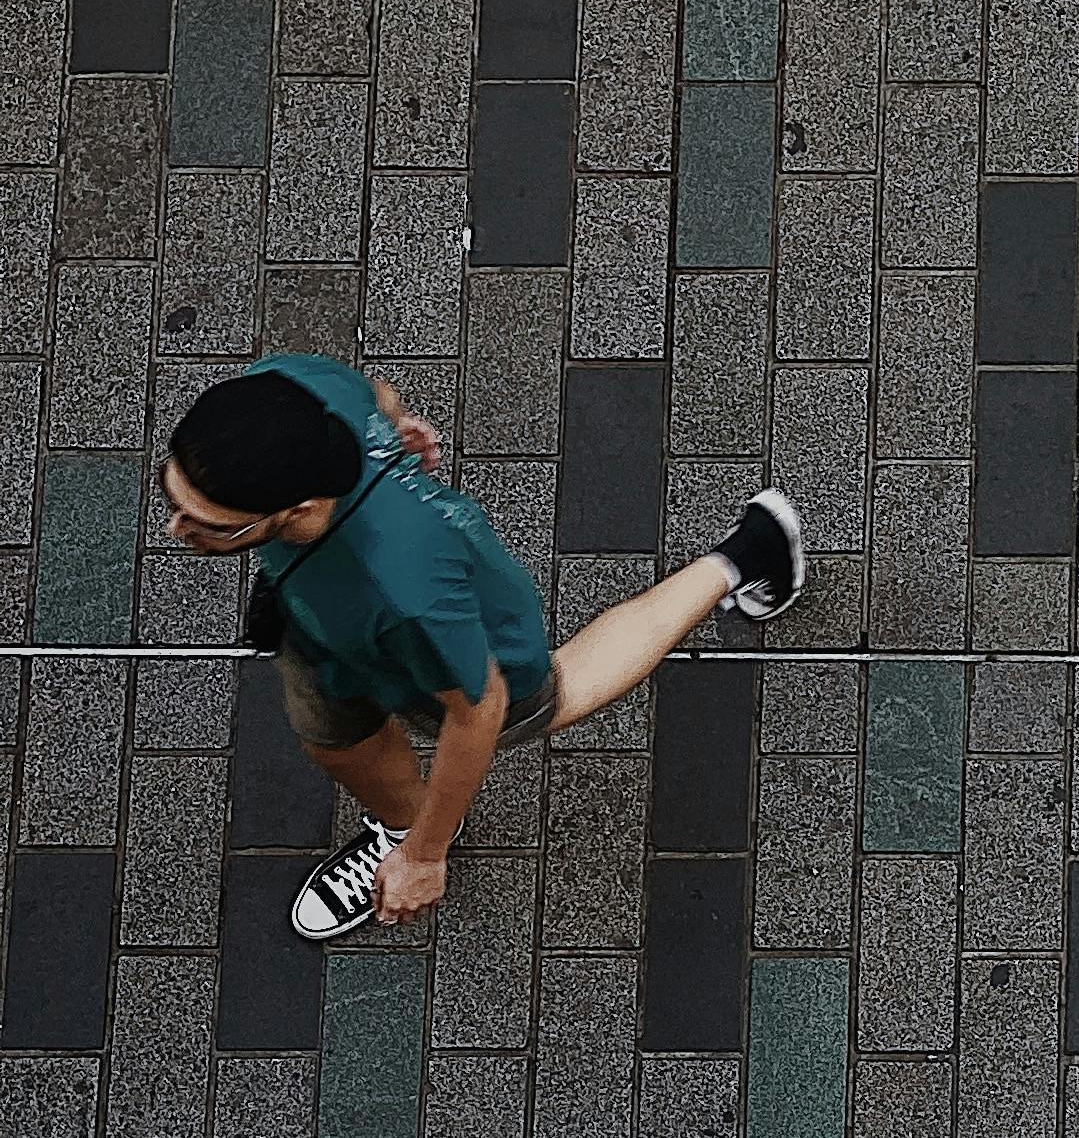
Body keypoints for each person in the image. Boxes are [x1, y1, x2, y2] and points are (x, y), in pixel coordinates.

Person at [161, 356, 805, 944]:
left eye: (212, 526)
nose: (175, 529)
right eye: (175, 499)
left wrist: (425, 858)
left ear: (301, 508)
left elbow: (478, 711)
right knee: (333, 740)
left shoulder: (406, 592)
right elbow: (374, 395)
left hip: (452, 636)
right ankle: (401, 825)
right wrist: (394, 429)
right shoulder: (286, 395)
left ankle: (748, 553)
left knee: (547, 697)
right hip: (324, 622)